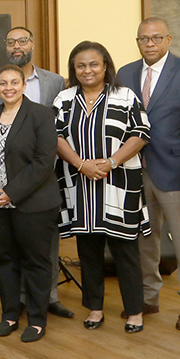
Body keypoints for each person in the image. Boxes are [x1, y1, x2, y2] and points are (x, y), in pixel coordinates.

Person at [54, 41, 150, 334]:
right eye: (81, 65)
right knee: (88, 251)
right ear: (74, 69)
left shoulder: (125, 96)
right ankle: (95, 308)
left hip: (119, 184)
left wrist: (110, 162)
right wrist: (81, 164)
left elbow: (141, 133)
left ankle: (134, 311)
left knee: (126, 252)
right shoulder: (64, 98)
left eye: (94, 64)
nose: (88, 70)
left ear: (105, 66)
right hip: (79, 185)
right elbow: (54, 136)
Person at [117, 18, 180, 331]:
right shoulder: (125, 73)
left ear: (168, 39)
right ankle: (148, 297)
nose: (150, 44)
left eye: (156, 38)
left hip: (177, 171)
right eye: (143, 39)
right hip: (133, 171)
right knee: (144, 238)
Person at [0, 26, 72, 319]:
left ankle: (45, 303)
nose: (17, 45)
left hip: (37, 185)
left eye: (22, 40)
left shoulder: (54, 82)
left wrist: (14, 190)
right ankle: (14, 306)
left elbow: (50, 148)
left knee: (41, 254)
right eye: (11, 41)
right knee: (8, 255)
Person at [0, 65, 60, 342]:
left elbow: (44, 161)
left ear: (23, 86)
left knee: (36, 262)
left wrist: (10, 192)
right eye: (3, 83)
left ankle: (36, 319)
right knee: (5, 260)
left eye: (14, 82)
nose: (8, 87)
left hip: (32, 203)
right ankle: (9, 314)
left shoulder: (41, 115)